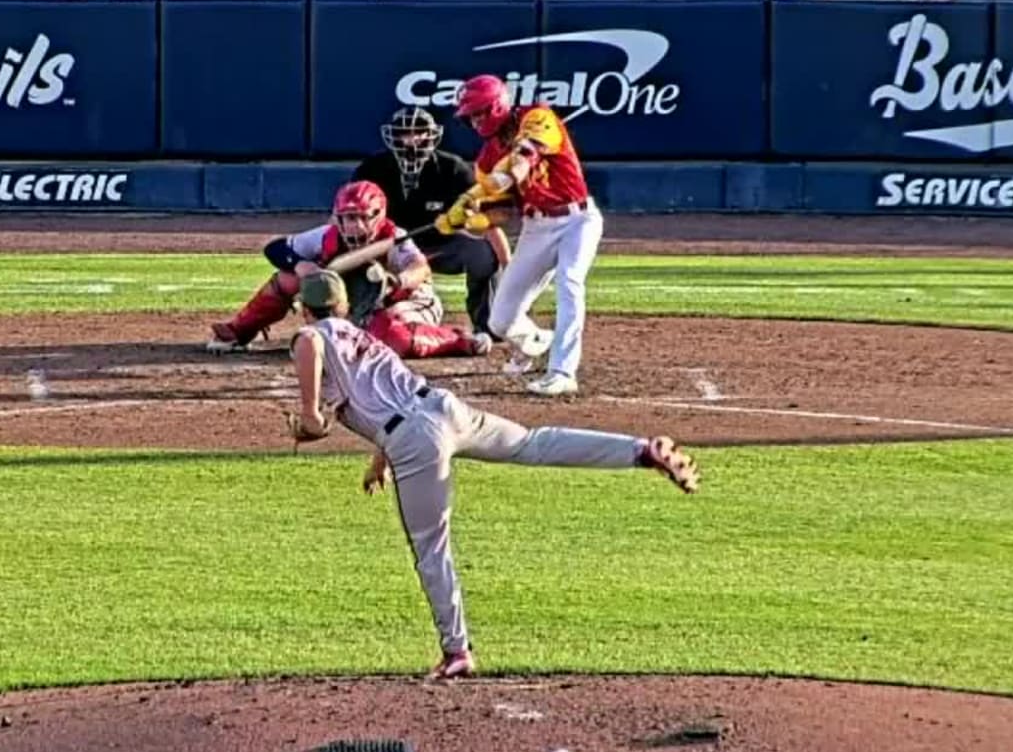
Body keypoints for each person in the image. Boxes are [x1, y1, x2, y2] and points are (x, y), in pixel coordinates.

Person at [284, 269, 700, 679]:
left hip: (414, 438)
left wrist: (303, 421)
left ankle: (456, 650)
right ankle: (639, 451)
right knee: (533, 444)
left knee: (431, 547)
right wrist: (379, 458)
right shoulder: (362, 336)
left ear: (304, 308)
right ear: (341, 305)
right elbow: (382, 395)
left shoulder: (311, 336)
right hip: (442, 408)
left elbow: (317, 406)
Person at [437, 74, 601, 397]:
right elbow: (504, 212)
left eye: (480, 112)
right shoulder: (485, 158)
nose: (475, 121)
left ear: (498, 105)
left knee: (570, 282)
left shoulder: (537, 116)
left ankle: (563, 371)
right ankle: (535, 341)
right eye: (471, 116)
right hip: (536, 227)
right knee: (500, 321)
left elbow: (519, 165)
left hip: (578, 219)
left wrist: (476, 192)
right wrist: (468, 219)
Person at [206, 181, 491, 361]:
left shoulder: (395, 236)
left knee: (391, 337)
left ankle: (460, 340)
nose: (353, 226)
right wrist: (302, 265)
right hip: (352, 304)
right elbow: (276, 249)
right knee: (288, 278)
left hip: (405, 303)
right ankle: (238, 331)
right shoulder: (326, 236)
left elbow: (420, 268)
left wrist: (396, 282)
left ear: (377, 217)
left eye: (360, 218)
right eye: (347, 219)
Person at [351, 107, 523, 338]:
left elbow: (485, 221)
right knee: (359, 262)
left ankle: (488, 323)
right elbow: (347, 216)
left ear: (431, 135)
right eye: (405, 133)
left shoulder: (453, 169)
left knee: (483, 253)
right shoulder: (372, 169)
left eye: (419, 132)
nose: (412, 140)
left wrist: (508, 265)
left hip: (441, 245)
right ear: (393, 135)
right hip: (391, 248)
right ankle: (358, 319)